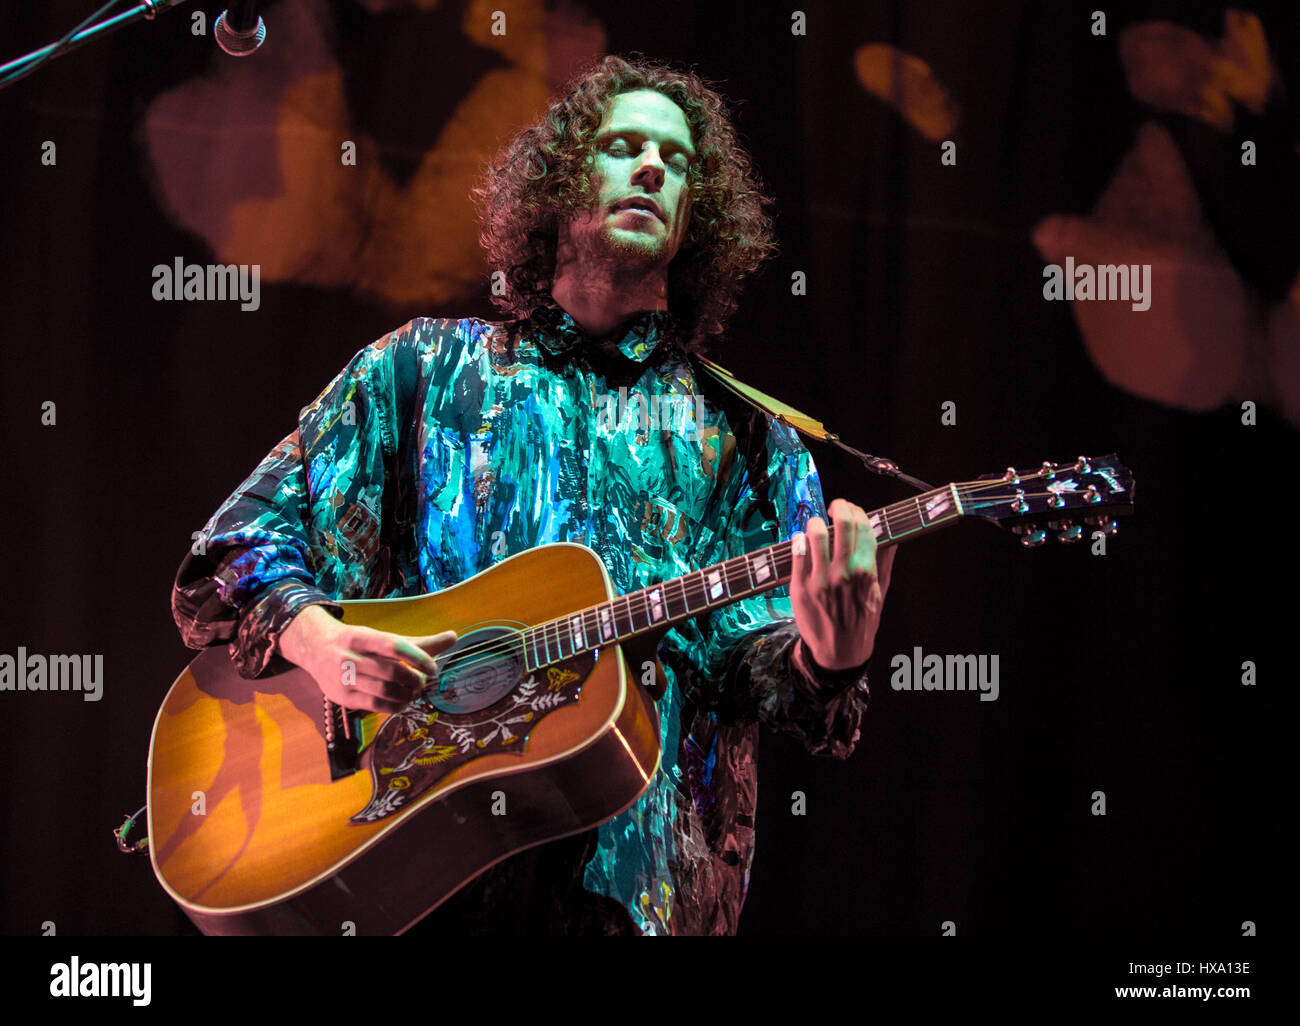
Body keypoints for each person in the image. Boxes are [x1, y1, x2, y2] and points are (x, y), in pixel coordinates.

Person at [171, 54, 897, 936]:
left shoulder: (746, 437)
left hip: (644, 889)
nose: (654, 167)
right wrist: (319, 641)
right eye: (624, 145)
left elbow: (772, 682)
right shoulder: (425, 369)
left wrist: (832, 657)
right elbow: (229, 549)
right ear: (559, 184)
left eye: (678, 161)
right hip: (425, 883)